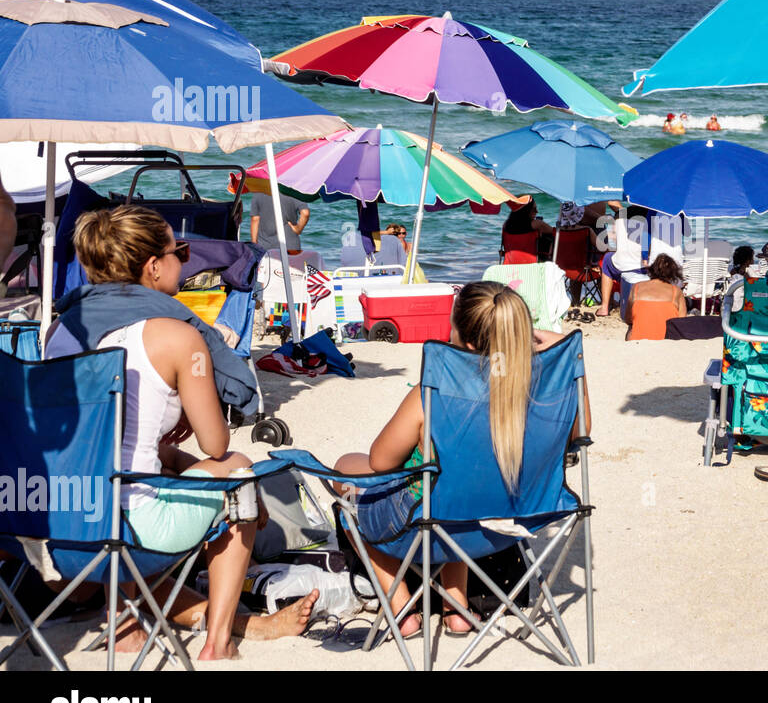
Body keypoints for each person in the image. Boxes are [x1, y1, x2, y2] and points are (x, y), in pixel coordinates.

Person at [44, 205, 316, 660]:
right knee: (240, 473)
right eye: (181, 252)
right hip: (131, 535)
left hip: (61, 528)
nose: (186, 262)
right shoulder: (175, 335)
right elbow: (216, 445)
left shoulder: (60, 331)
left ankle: (133, 619)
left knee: (148, 466)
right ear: (153, 267)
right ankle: (219, 641)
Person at [331, 282, 591, 637]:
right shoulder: (541, 396)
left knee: (348, 471)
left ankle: (401, 606)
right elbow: (582, 433)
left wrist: (347, 467)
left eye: (452, 323)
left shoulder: (433, 395)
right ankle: (456, 608)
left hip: (430, 528)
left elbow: (380, 461)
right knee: (459, 487)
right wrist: (540, 343)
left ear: (466, 341)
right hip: (506, 527)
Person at [596, 201, 646, 316]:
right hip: (643, 267)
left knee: (607, 259)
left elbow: (611, 202)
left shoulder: (620, 216)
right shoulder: (651, 217)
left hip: (620, 266)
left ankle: (604, 307)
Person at [625, 254, 687, 340]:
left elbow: (628, 318)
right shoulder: (676, 292)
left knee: (631, 327)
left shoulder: (636, 288)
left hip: (637, 341)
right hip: (666, 340)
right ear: (673, 273)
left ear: (652, 270)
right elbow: (682, 323)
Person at [249, 191, 310, 256]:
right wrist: (298, 229)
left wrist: (254, 244)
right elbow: (305, 213)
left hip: (265, 246)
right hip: (290, 245)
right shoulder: (293, 191)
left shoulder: (259, 192)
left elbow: (255, 219)